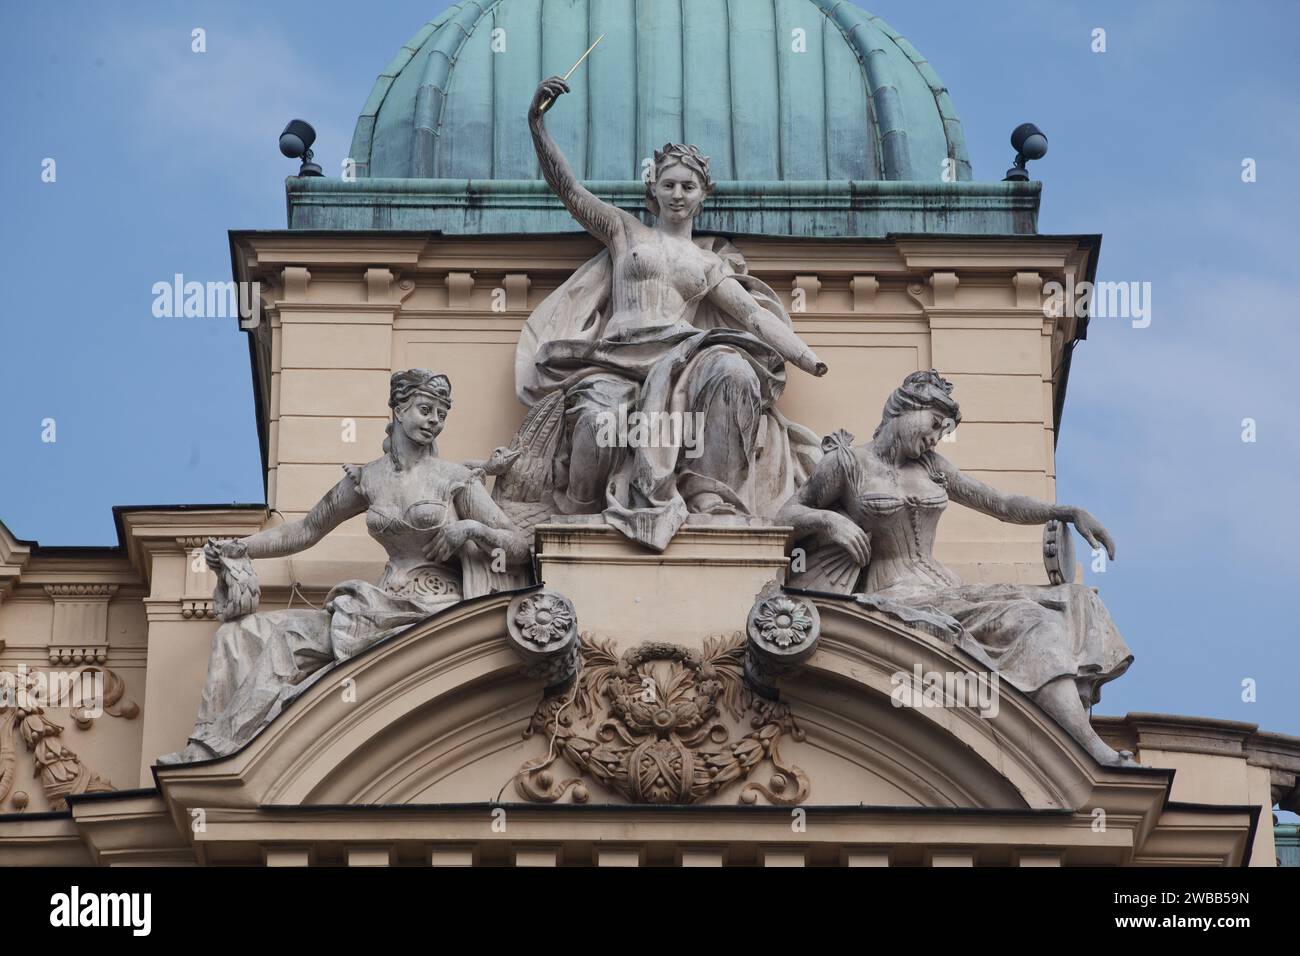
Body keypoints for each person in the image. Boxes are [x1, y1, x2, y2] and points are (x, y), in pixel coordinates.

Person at [502, 75, 825, 550]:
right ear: (653, 187)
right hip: (613, 359)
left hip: (679, 358)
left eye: (688, 186)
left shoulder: (708, 265)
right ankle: (579, 509)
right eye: (669, 183)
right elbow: (569, 190)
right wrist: (537, 125)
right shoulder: (624, 232)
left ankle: (709, 495)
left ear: (703, 193)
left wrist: (807, 358)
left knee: (734, 367)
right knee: (597, 423)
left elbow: (755, 320)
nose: (677, 193)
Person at [159, 370, 531, 762]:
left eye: (442, 413)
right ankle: (209, 750)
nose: (435, 420)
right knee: (265, 636)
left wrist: (470, 530)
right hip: (383, 601)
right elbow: (305, 530)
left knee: (294, 639)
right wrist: (241, 548)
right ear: (398, 409)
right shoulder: (367, 479)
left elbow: (518, 545)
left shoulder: (455, 478)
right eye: (425, 409)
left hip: (438, 609)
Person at [777, 369, 1137, 767]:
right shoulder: (846, 464)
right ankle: (1086, 746)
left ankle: (1074, 734)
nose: (935, 437)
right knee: (1031, 621)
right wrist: (831, 521)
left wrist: (1064, 510)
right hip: (894, 593)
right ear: (903, 409)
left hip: (943, 588)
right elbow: (786, 516)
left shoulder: (934, 468)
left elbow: (998, 502)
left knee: (1072, 600)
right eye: (933, 425)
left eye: (943, 430)